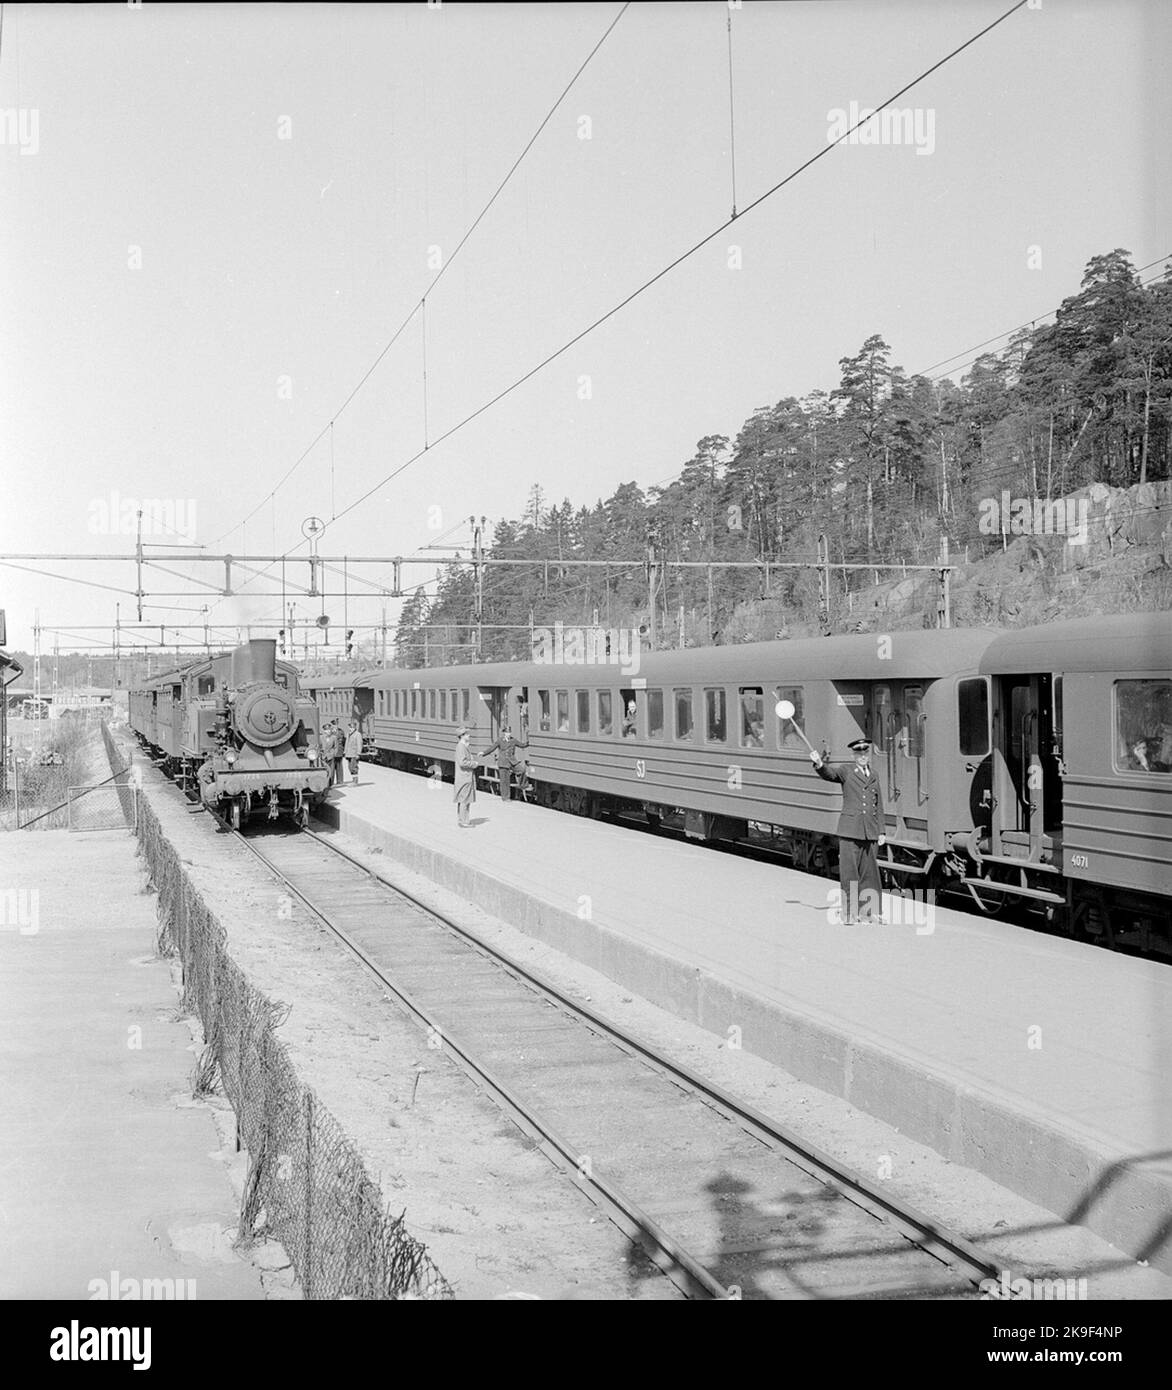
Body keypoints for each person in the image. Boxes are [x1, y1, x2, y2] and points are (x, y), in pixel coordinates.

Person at [810, 736, 886, 924]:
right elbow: (830, 774)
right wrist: (819, 763)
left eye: (865, 753)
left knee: (870, 873)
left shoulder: (874, 774)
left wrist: (882, 831)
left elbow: (879, 805)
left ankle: (870, 911)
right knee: (850, 873)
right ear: (854, 755)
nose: (862, 756)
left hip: (870, 831)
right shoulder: (846, 771)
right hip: (850, 830)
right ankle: (850, 912)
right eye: (859, 753)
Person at [484, 726, 526, 802]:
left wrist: (530, 742)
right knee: (504, 781)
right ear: (504, 733)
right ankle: (505, 797)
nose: (508, 734)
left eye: (509, 732)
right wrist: (483, 753)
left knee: (521, 770)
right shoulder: (500, 740)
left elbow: (522, 745)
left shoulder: (513, 740)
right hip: (503, 762)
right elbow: (492, 748)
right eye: (507, 732)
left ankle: (523, 785)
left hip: (512, 761)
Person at [453, 725, 478, 827]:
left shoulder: (463, 746)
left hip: (464, 777)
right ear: (462, 736)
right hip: (465, 777)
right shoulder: (461, 747)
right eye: (467, 734)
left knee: (463, 799)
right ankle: (464, 822)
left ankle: (461, 820)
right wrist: (474, 764)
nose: (469, 735)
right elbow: (463, 763)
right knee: (465, 800)